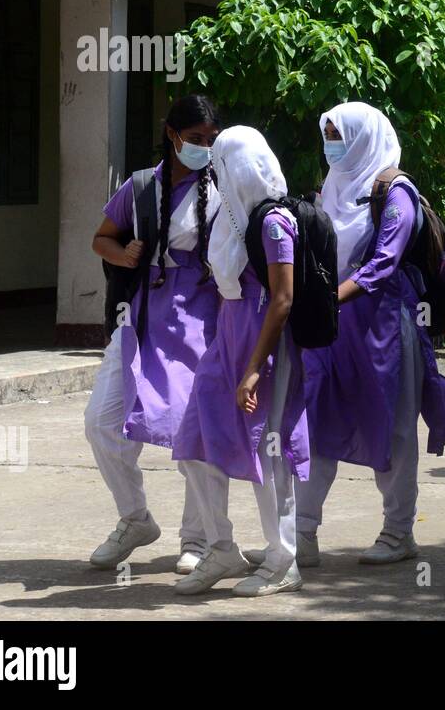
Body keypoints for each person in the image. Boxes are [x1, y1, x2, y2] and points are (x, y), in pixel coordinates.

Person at [297, 103, 445, 565]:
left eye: (339, 135)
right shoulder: (331, 189)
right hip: (334, 328)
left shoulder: (396, 191)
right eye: (327, 135)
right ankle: (301, 534)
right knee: (316, 423)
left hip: (385, 327)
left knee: (393, 428)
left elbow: (383, 263)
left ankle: (398, 532)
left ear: (363, 137)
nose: (332, 145)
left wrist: (329, 298)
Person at [85, 95, 222, 574]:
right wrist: (122, 255)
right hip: (141, 318)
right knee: (101, 422)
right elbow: (102, 237)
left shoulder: (223, 185)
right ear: (172, 134)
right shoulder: (142, 185)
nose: (204, 147)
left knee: (193, 429)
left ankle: (198, 539)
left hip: (201, 319)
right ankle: (135, 518)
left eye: (211, 139)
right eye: (195, 138)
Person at [172, 126, 310, 597]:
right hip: (229, 338)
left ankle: (284, 559)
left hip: (264, 344)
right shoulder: (232, 220)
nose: (216, 173)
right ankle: (221, 549)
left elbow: (283, 298)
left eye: (222, 164)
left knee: (267, 450)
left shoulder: (273, 222)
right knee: (194, 443)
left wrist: (253, 367)